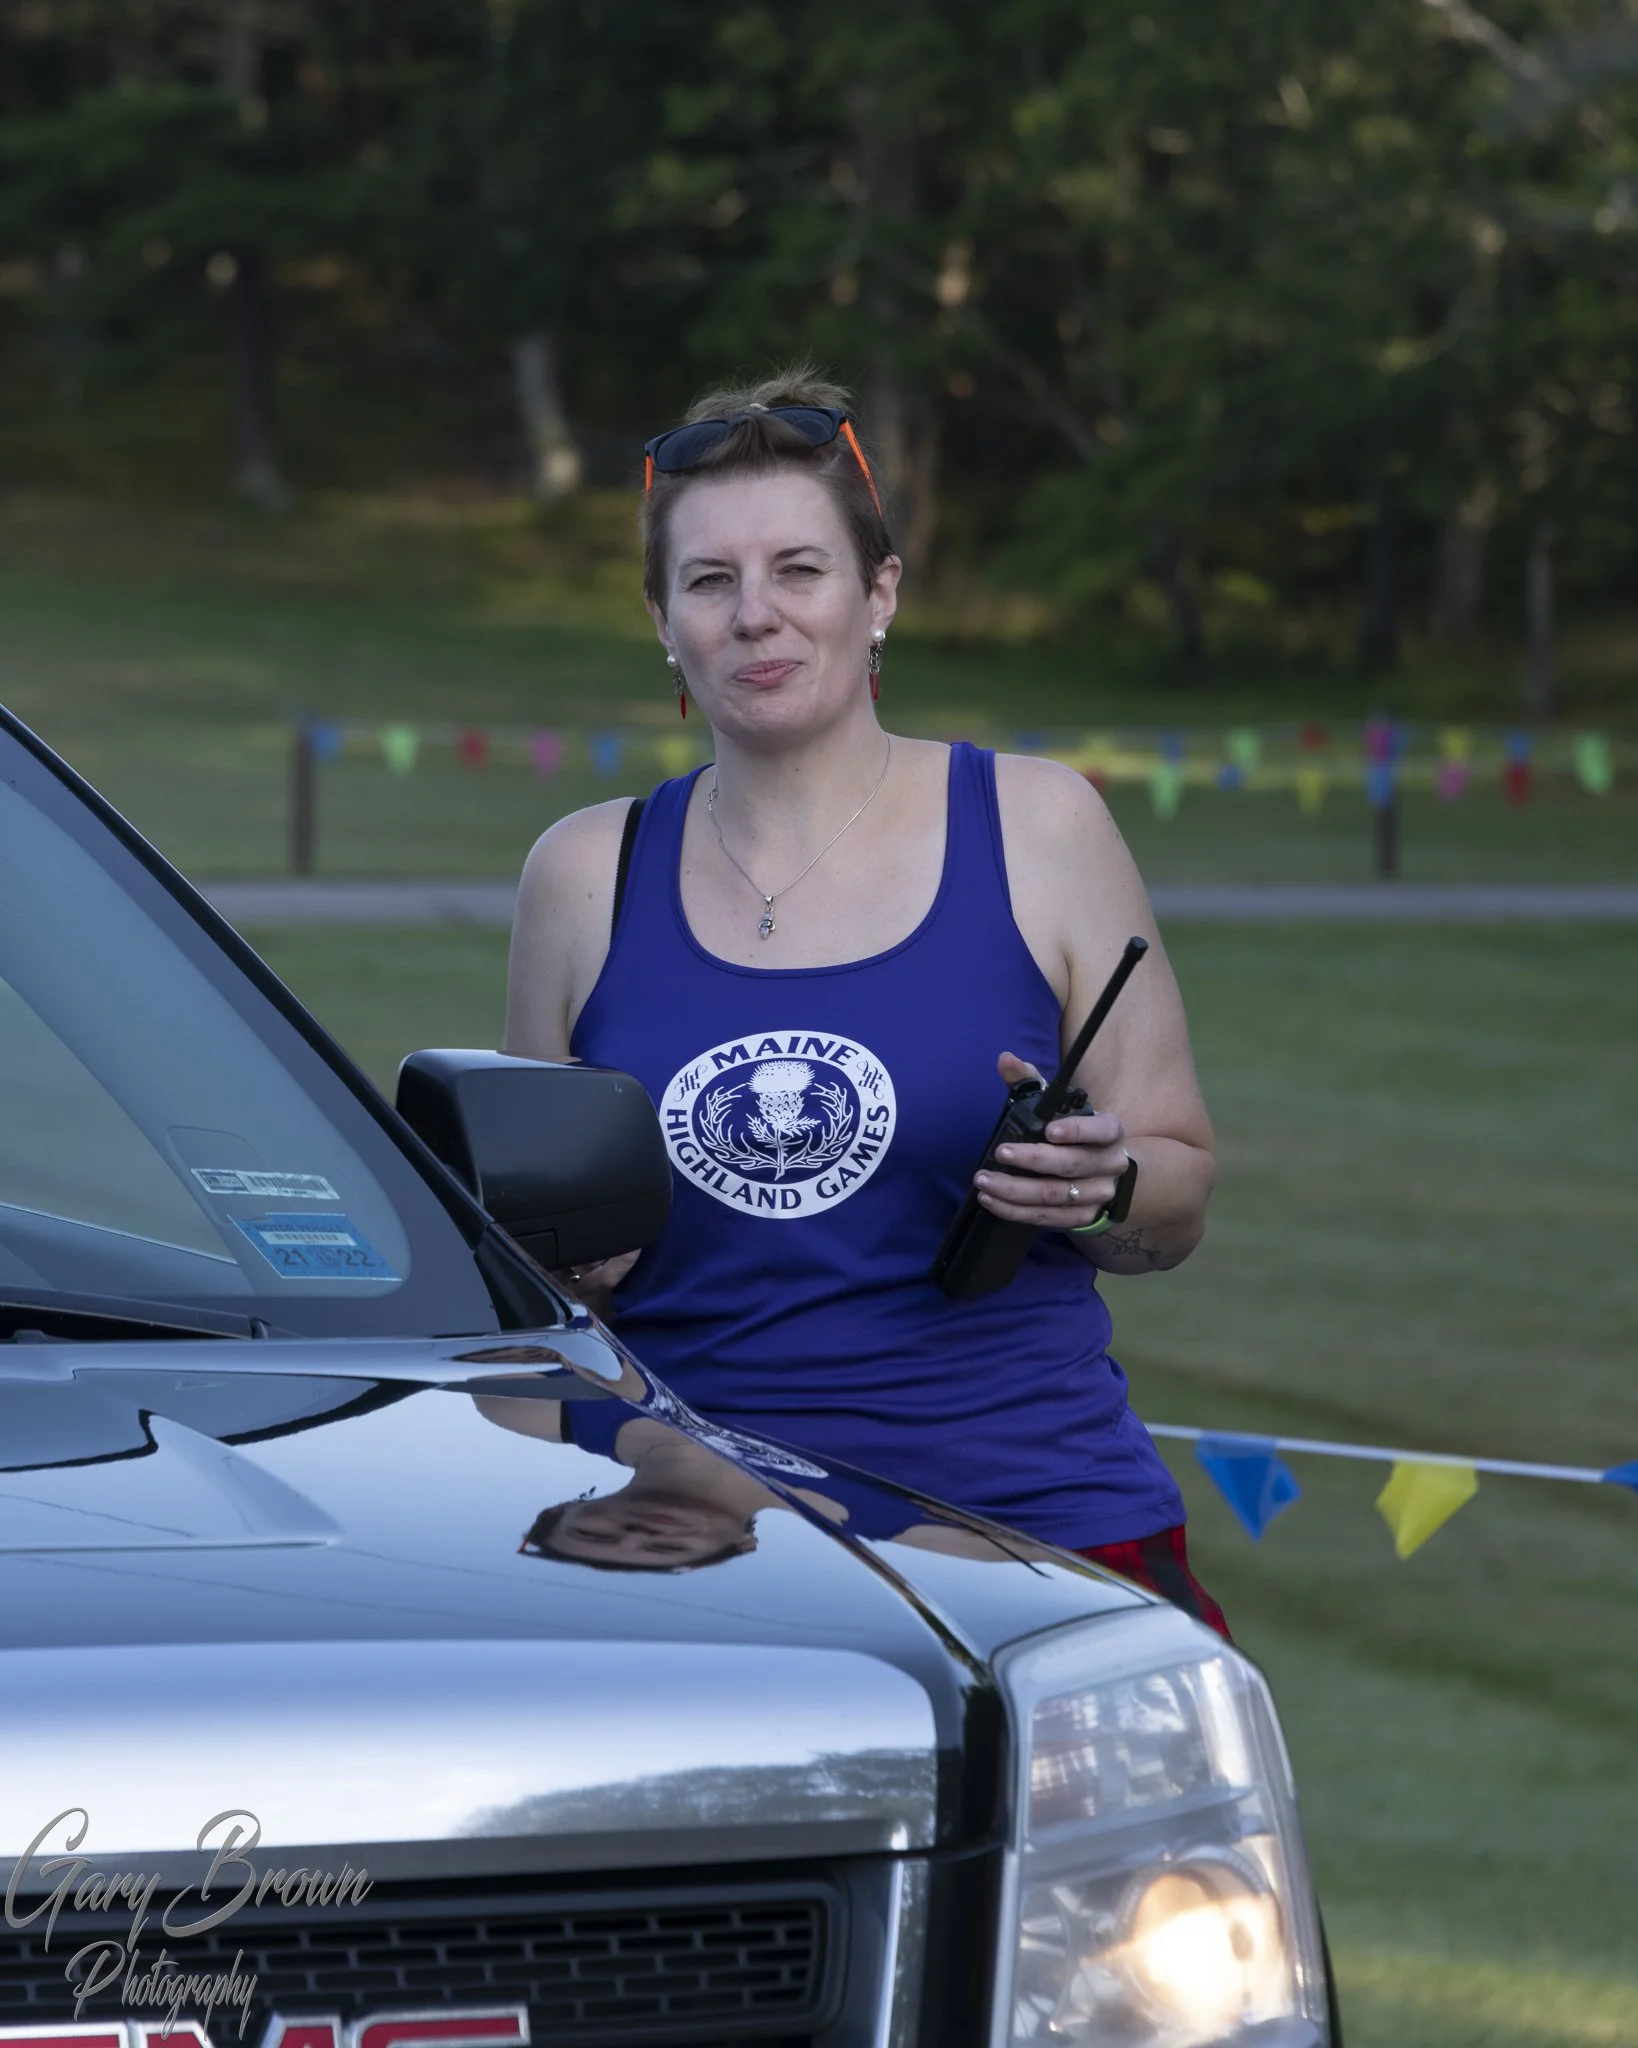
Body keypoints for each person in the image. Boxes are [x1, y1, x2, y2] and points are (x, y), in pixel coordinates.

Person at [504, 368, 1226, 1636]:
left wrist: (1099, 1186)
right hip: (681, 1534)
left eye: (801, 569)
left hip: (1017, 1522)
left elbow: (1175, 1192)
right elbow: (521, 1278)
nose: (755, 617)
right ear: (662, 618)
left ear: (879, 593)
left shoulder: (1038, 823)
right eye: (710, 581)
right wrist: (565, 1265)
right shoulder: (582, 871)